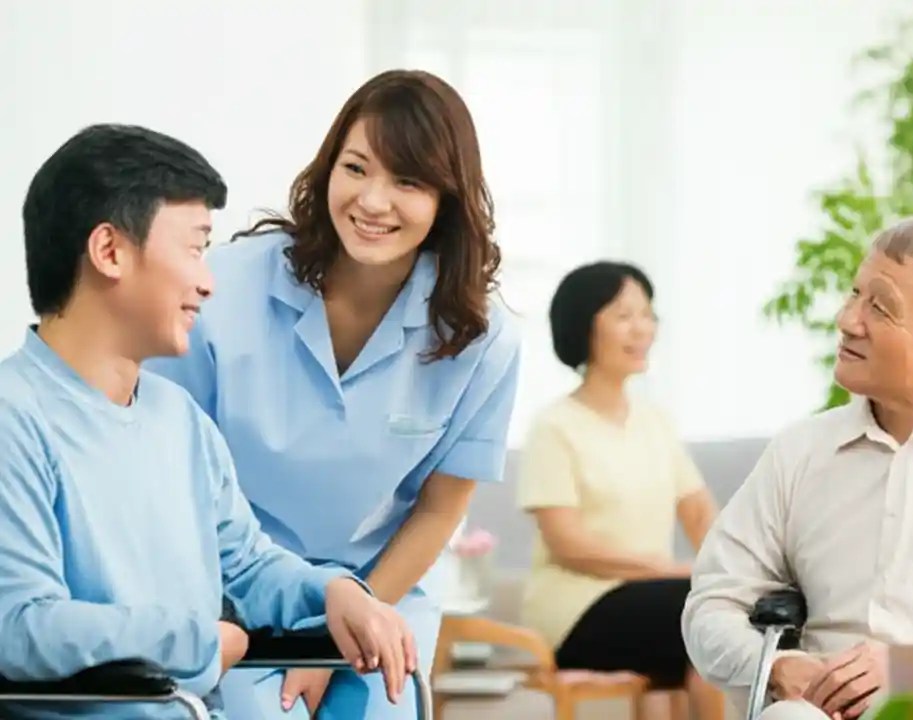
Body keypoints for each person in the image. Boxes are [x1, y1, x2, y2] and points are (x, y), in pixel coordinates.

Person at [0, 124, 415, 720]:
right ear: (110, 251)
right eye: (194, 248)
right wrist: (193, 642)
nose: (207, 281)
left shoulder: (178, 419)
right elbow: (20, 627)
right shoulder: (15, 419)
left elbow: (244, 563)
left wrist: (334, 592)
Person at [145, 70, 521, 718]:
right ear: (327, 170)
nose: (374, 201)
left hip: (381, 595)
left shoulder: (481, 339)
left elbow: (436, 512)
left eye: (408, 181)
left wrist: (335, 637)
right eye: (356, 168)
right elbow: (164, 471)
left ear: (447, 200)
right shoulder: (223, 289)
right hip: (232, 588)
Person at [681, 216, 913, 719]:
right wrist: (779, 667)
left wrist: (912, 668)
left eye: (881, 308)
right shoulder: (800, 452)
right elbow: (711, 607)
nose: (848, 321)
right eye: (854, 295)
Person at [517, 262, 724, 718]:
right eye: (624, 315)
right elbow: (568, 545)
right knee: (703, 616)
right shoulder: (555, 426)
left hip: (658, 597)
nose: (642, 329)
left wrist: (738, 573)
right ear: (583, 325)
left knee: (732, 617)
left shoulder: (655, 421)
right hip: (576, 610)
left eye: (648, 315)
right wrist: (665, 569)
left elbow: (700, 517)